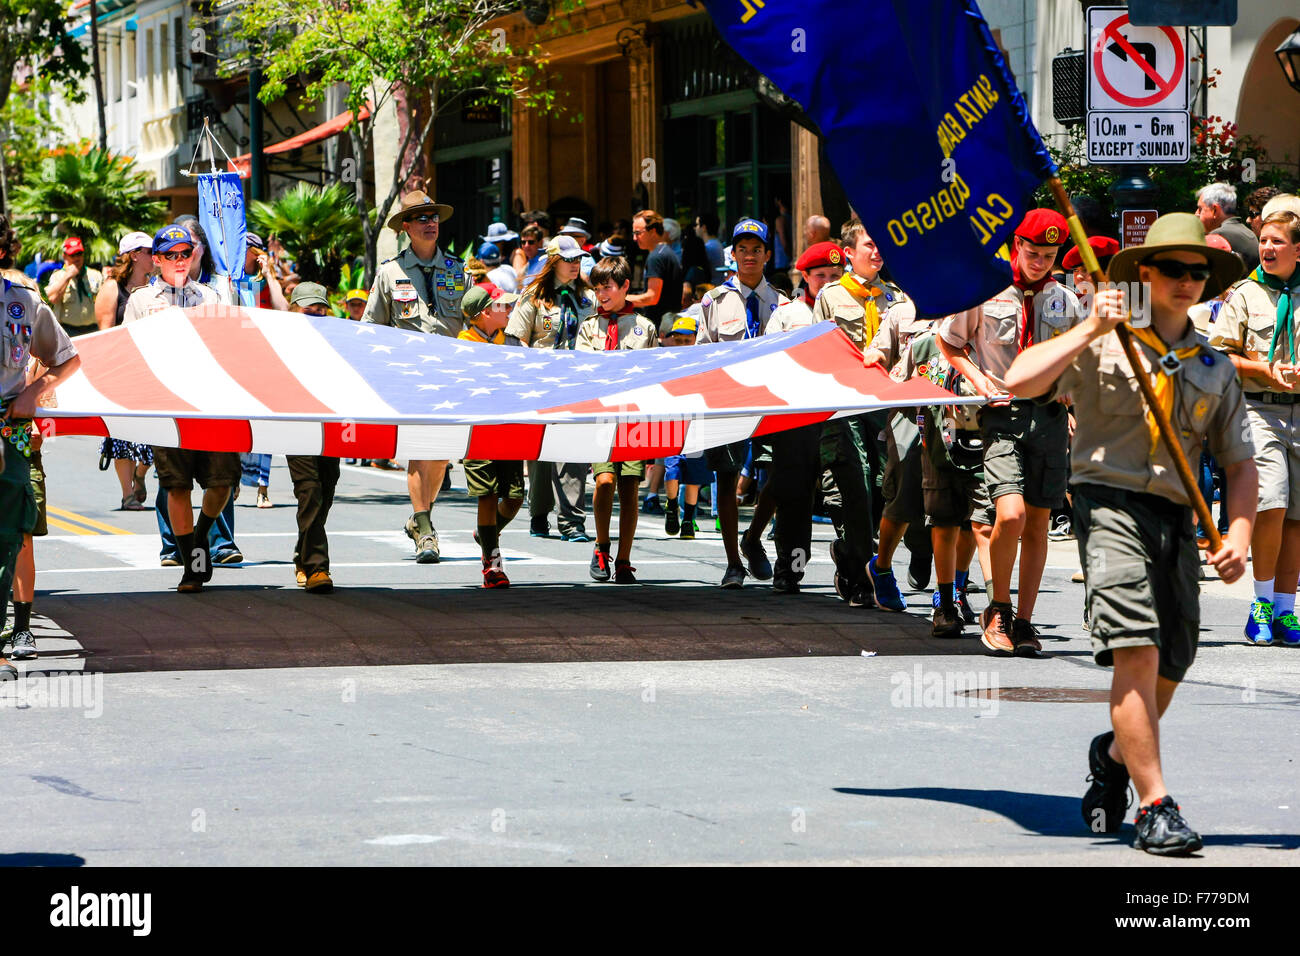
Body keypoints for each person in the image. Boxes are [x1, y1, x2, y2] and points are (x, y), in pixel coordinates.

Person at [1003, 211, 1253, 855]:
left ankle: (1114, 756)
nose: (1187, 280)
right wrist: (1092, 324)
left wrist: (1241, 534)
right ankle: (1156, 805)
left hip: (1175, 515)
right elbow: (1019, 380)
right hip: (1107, 507)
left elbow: (1239, 462)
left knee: (1175, 656)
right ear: (1144, 273)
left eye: (1198, 271)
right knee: (1136, 648)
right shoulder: (1102, 342)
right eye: (1173, 268)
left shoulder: (1213, 366)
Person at [938, 209, 1083, 657]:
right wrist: (979, 382)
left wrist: (1070, 388)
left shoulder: (1067, 300)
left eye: (1049, 254)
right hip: (1002, 415)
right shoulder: (988, 290)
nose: (1040, 262)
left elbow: (1078, 356)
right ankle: (998, 607)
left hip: (1050, 420)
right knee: (1011, 515)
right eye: (1033, 252)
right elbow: (950, 342)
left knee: (1039, 521)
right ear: (1015, 245)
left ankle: (1024, 621)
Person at [125, 225, 240, 591]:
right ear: (156, 260)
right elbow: (129, 350)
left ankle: (202, 534)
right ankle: (191, 561)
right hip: (167, 406)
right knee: (177, 487)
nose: (179, 260)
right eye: (171, 254)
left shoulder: (212, 297)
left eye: (185, 253)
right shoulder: (142, 300)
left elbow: (230, 349)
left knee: (222, 483)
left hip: (211, 404)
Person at [1209, 210, 1300, 645]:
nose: (1266, 248)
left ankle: (1286, 610)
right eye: (1264, 240)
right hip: (1259, 409)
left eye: (1277, 242)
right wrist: (1263, 370)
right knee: (1272, 502)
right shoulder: (1245, 294)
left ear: (1298, 250)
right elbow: (1218, 356)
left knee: (1297, 517)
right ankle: (1260, 605)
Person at [362, 191, 465, 564]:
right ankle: (426, 531)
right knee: (420, 453)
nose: (430, 223)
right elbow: (371, 327)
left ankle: (419, 518)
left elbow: (475, 321)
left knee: (440, 459)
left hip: (451, 377)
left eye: (434, 217)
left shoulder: (458, 269)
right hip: (411, 378)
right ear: (406, 227)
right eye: (421, 218)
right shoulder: (390, 272)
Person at [812, 218, 907, 607]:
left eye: (881, 243)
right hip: (844, 405)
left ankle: (852, 556)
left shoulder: (896, 299)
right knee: (855, 484)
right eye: (869, 244)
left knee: (884, 492)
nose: (877, 250)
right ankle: (860, 578)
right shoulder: (831, 297)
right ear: (849, 253)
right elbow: (817, 351)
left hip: (883, 405)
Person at [697, 219, 791, 588]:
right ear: (732, 255)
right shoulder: (714, 301)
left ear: (768, 255)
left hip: (771, 399)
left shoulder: (783, 302)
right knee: (726, 475)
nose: (749, 256)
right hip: (728, 399)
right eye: (742, 249)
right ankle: (733, 562)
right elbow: (702, 353)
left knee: (779, 473)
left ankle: (753, 538)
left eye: (756, 249)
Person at [1, 271, 79, 677]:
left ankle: (18, 630)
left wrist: (31, 393)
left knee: (15, 537)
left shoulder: (26, 311)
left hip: (13, 441)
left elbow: (64, 366)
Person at [505, 234, 596, 542]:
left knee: (574, 452)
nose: (575, 265)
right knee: (541, 454)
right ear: (553, 262)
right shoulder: (533, 296)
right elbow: (515, 338)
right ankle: (539, 513)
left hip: (577, 384)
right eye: (569, 260)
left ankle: (572, 522)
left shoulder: (588, 297)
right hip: (542, 384)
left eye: (579, 259)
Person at [579, 256, 659, 584]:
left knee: (629, 487)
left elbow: (655, 374)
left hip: (634, 417)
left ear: (626, 287)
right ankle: (601, 546)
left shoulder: (645, 328)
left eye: (608, 287)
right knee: (605, 480)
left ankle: (624, 558)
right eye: (597, 288)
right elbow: (582, 372)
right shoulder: (588, 328)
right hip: (601, 417)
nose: (602, 294)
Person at [458, 285, 525, 587]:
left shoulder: (512, 343)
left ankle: (485, 533)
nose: (509, 310)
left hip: (509, 428)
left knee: (514, 498)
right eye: (503, 307)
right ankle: (492, 565)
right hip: (478, 430)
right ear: (485, 312)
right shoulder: (461, 345)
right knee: (488, 494)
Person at [284, 282, 342, 593]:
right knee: (310, 492)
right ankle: (318, 568)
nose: (317, 314)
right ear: (293, 309)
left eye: (321, 310)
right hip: (296, 425)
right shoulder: (280, 340)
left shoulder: (337, 339)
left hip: (330, 426)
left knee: (327, 491)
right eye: (309, 309)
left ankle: (302, 554)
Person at [660, 314, 710, 539]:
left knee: (693, 475)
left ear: (696, 340)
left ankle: (689, 519)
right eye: (678, 340)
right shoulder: (667, 362)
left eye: (687, 340)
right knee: (672, 468)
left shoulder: (703, 362)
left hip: (697, 423)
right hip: (672, 421)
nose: (682, 345)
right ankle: (672, 506)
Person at [769, 241, 844, 332]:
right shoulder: (785, 314)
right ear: (805, 276)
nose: (828, 283)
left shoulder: (854, 310)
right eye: (820, 275)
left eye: (835, 276)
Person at [628, 209, 683, 328]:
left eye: (638, 233)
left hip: (661, 328)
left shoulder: (656, 257)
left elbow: (651, 298)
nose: (634, 238)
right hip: (668, 324)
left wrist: (621, 299)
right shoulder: (665, 252)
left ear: (652, 231)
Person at [45, 236, 103, 337]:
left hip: (93, 328)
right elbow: (53, 298)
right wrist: (67, 277)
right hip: (69, 330)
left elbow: (104, 302)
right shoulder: (57, 276)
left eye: (79, 254)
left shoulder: (95, 275)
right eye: (72, 255)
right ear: (64, 256)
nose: (77, 258)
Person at [1196, 182, 1259, 273]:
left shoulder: (1218, 236)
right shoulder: (1247, 232)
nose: (1196, 214)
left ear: (1215, 210)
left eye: (1200, 209)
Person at [233, 232, 289, 311]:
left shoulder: (269, 283)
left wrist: (268, 275)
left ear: (255, 254)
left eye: (241, 248)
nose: (236, 252)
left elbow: (283, 309)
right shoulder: (231, 280)